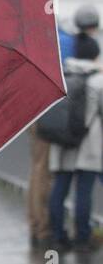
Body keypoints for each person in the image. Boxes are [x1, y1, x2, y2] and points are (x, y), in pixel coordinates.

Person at [48, 35, 102, 251]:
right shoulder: (98, 80)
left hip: (63, 144)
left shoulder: (62, 75)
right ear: (95, 54)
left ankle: (58, 237)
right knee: (83, 192)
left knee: (59, 190)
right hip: (89, 145)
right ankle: (82, 238)